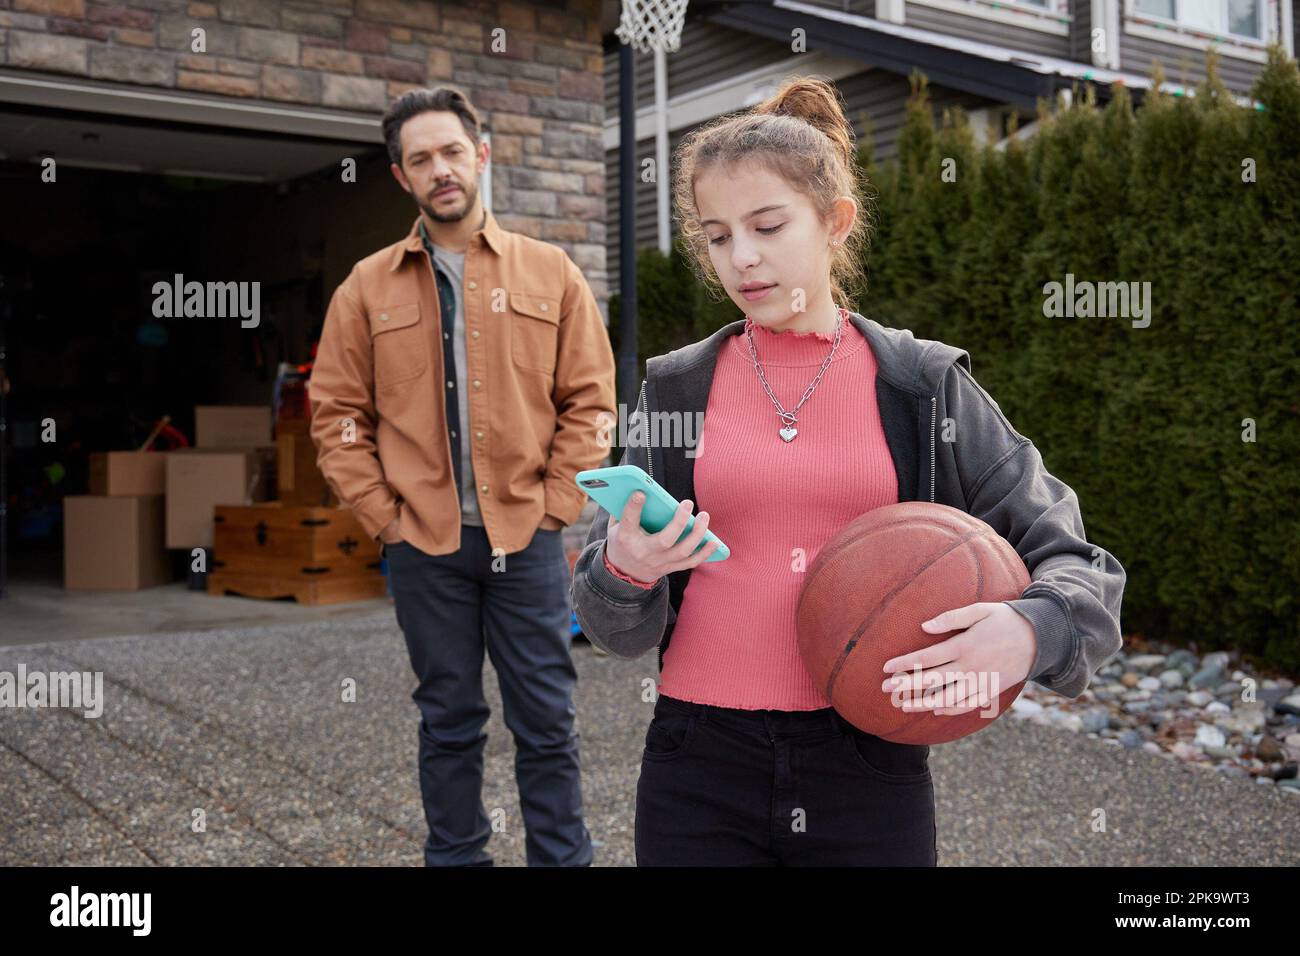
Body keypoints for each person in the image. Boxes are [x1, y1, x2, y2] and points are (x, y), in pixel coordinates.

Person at [569, 76, 1126, 866]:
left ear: (836, 223)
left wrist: (1029, 631)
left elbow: (1079, 562)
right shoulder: (678, 388)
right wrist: (625, 570)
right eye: (718, 235)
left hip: (867, 760)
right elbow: (607, 622)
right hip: (697, 757)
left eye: (767, 225)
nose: (743, 257)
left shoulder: (920, 384)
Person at [310, 86, 616, 866]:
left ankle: (561, 859)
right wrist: (386, 518)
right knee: (447, 720)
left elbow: (591, 402)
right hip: (425, 549)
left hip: (529, 541)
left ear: (480, 156)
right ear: (401, 178)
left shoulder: (551, 273)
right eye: (421, 159)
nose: (439, 169)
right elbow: (337, 416)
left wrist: (557, 506)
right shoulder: (365, 288)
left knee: (547, 720)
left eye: (452, 152)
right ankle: (457, 858)